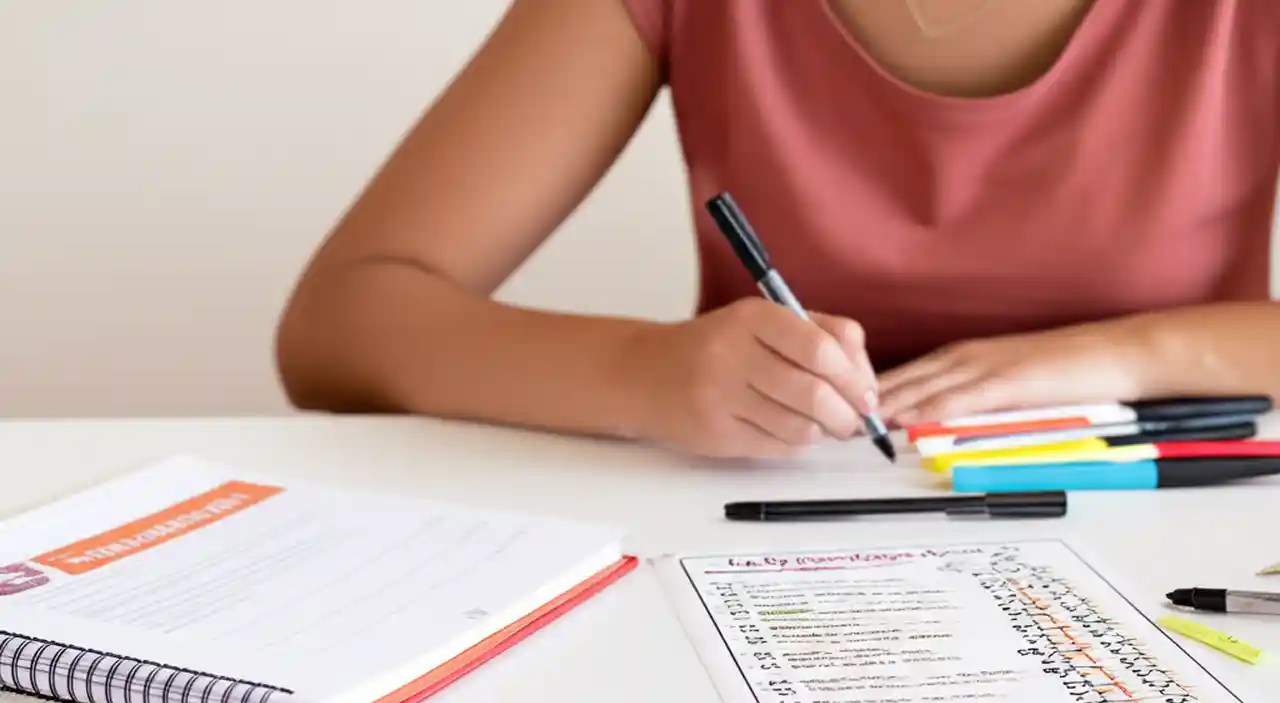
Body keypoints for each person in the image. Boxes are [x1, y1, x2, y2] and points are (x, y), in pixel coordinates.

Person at [275, 0, 1280, 459]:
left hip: (1173, 500)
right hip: (759, 526)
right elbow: (341, 324)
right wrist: (648, 376)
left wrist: (1122, 355)